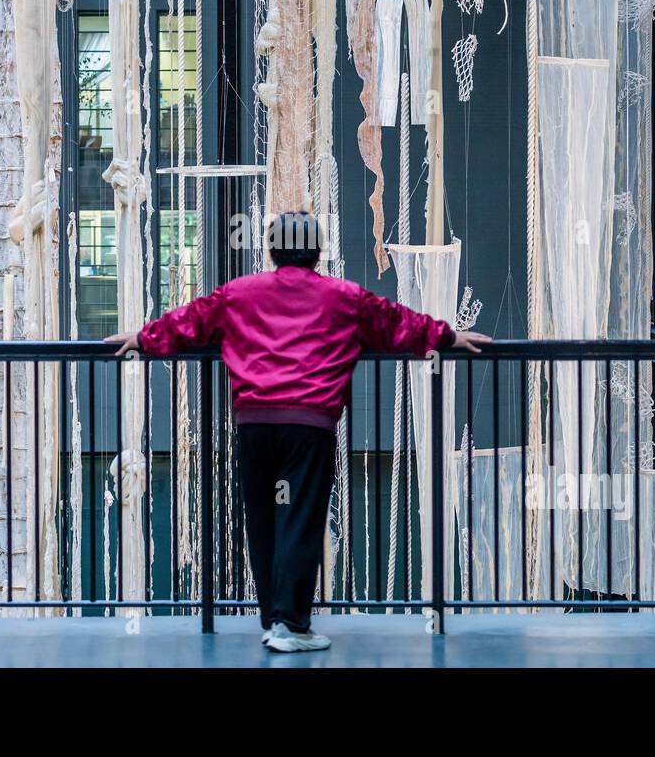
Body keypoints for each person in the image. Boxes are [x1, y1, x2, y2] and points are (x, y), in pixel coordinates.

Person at [106, 212, 490, 653]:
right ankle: (290, 624)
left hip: (254, 423)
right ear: (317, 250)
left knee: (263, 522)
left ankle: (274, 619)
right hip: (309, 423)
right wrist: (448, 337)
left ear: (271, 250)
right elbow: (396, 324)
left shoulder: (240, 293)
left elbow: (188, 322)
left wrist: (142, 337)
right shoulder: (342, 296)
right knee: (301, 521)